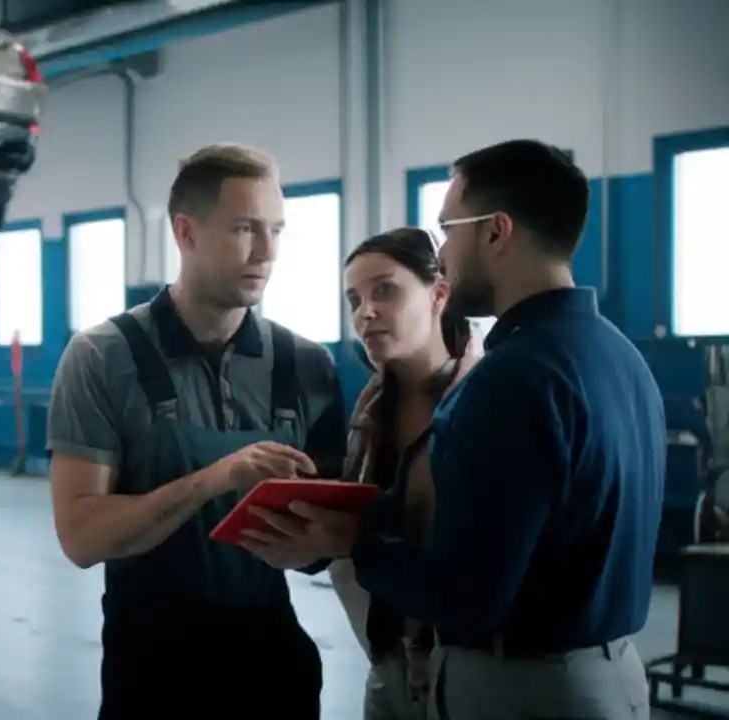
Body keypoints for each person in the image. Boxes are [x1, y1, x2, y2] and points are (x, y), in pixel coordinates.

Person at [281, 139, 666, 719]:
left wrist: (351, 543)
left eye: (448, 229)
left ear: (496, 232)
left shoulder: (510, 381)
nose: (443, 252)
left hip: (523, 690)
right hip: (610, 675)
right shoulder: (619, 357)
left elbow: (466, 598)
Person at [45, 143, 348, 719]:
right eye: (244, 228)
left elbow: (324, 548)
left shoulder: (306, 365)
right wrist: (213, 480)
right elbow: (82, 538)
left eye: (276, 230)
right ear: (185, 232)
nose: (267, 251)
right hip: (154, 678)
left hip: (274, 673)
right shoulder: (102, 358)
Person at [323, 228, 482, 720]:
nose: (364, 312)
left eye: (385, 290)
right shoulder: (368, 412)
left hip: (471, 668)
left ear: (439, 294)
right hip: (388, 663)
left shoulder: (486, 397)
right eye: (355, 299)